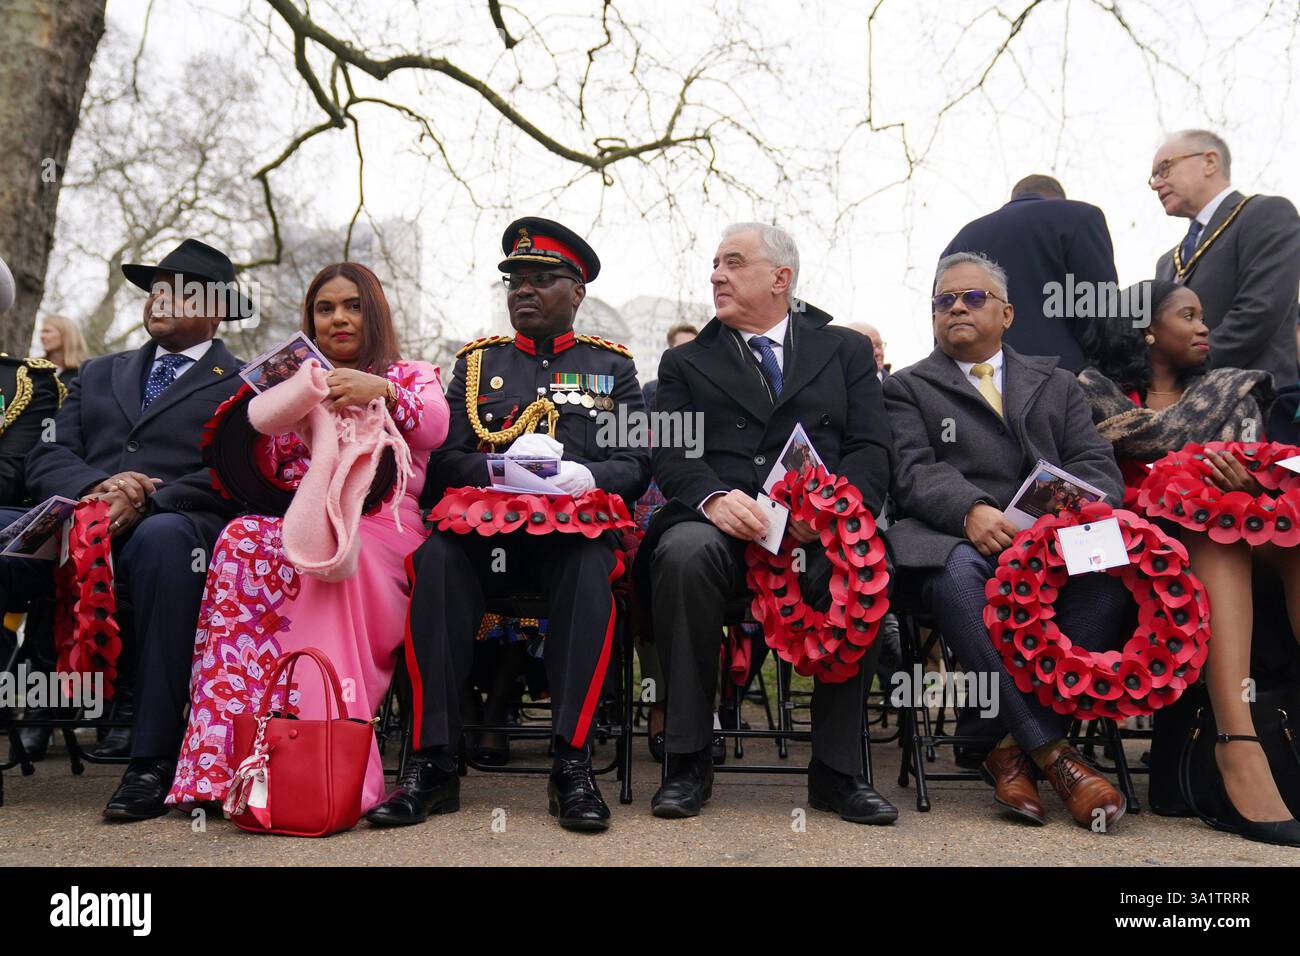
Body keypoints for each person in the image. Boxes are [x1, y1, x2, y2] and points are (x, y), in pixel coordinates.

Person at [369, 217, 649, 833]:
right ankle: (433, 763)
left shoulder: (613, 370)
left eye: (542, 278)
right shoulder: (476, 363)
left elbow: (635, 462)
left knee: (591, 566)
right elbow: (441, 461)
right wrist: (501, 467)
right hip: (484, 536)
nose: (524, 289)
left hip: (569, 537)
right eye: (515, 279)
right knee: (434, 562)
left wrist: (587, 477)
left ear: (577, 291)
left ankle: (571, 764)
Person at [165, 262, 448, 814]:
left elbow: (435, 428)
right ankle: (220, 770)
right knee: (241, 538)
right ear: (311, 321)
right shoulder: (291, 378)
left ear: (376, 312)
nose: (338, 318)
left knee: (332, 556)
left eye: (352, 306)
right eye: (325, 308)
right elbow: (263, 462)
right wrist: (298, 402)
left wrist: (381, 390)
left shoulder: (411, 374)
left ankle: (316, 769)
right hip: (299, 514)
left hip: (382, 520)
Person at [641, 222, 897, 824]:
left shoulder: (845, 350)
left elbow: (870, 447)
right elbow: (674, 453)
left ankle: (838, 772)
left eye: (733, 262)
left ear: (781, 278)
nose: (716, 275)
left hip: (818, 529)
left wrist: (837, 512)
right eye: (713, 263)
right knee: (683, 553)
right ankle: (687, 761)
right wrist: (711, 499)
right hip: (726, 525)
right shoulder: (685, 361)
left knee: (860, 559)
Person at [0, 238, 248, 819]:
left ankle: (152, 759)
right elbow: (46, 453)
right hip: (71, 521)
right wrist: (98, 488)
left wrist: (147, 494)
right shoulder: (98, 372)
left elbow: (239, 473)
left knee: (165, 544)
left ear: (216, 307)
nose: (160, 298)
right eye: (156, 288)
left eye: (181, 290)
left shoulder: (241, 382)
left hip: (172, 527)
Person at [884, 250, 1130, 831]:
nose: (957, 308)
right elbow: (913, 472)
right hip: (956, 537)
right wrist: (970, 508)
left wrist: (1056, 518)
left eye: (972, 297)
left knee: (1110, 579)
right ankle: (1057, 756)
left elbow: (1097, 467)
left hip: (1054, 542)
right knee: (957, 577)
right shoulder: (907, 387)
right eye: (944, 300)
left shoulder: (1057, 382)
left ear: (1008, 314)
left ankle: (1008, 747)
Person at [1079, 279, 1300, 847]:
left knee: (1274, 529)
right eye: (1189, 315)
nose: (1206, 328)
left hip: (1239, 543)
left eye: (1206, 316)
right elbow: (1084, 489)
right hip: (1128, 550)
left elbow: (1266, 483)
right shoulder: (1092, 398)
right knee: (1215, 530)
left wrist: (1255, 482)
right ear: (1146, 328)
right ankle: (1237, 745)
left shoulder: (1235, 394)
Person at [1151, 129, 1300, 386]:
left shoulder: (1266, 214)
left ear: (1210, 162)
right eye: (1152, 177)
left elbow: (1258, 312)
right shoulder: (1167, 262)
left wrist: (1180, 372)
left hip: (1255, 400)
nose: (1156, 183)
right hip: (1181, 408)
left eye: (1164, 168)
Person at [942, 174, 1118, 373]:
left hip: (979, 387)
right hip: (1065, 383)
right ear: (1058, 200)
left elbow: (944, 326)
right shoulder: (1079, 217)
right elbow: (1102, 316)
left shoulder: (961, 239)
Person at [38, 314, 89, 388]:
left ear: (66, 335)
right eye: (42, 332)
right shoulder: (35, 368)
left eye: (47, 331)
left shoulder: (83, 374)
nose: (42, 336)